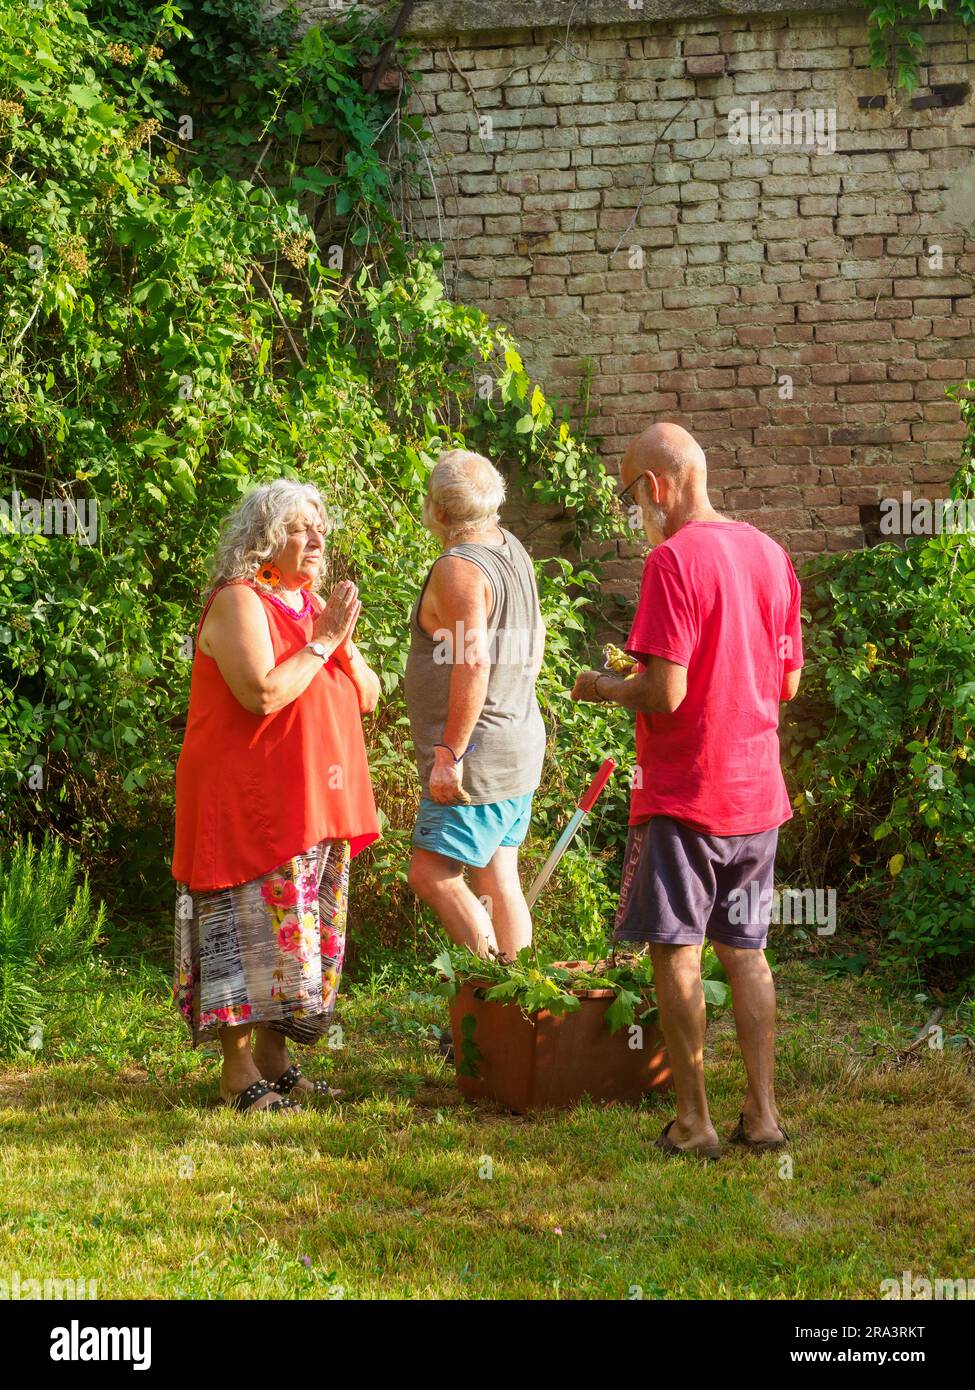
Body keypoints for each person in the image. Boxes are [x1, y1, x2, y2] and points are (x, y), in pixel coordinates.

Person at [572, 423, 802, 1159]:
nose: (634, 510)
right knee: (745, 952)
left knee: (675, 949)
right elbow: (788, 680)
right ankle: (762, 1118)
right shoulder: (769, 553)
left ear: (658, 487)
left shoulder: (671, 560)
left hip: (684, 791)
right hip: (756, 789)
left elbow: (663, 692)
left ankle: (694, 1123)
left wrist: (603, 686)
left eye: (630, 494)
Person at [172, 480, 380, 1114]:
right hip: (246, 803)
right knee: (244, 926)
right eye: (300, 529)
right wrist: (322, 641)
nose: (317, 540)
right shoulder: (240, 602)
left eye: (320, 529)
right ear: (263, 539)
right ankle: (237, 1073)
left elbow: (369, 693)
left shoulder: (307, 605)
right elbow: (261, 693)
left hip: (314, 805)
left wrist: (334, 636)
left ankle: (275, 1056)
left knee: (295, 933)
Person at [405, 449, 546, 960]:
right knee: (497, 873)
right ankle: (523, 1010)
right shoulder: (511, 549)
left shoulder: (458, 568)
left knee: (431, 873)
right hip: (517, 740)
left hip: (478, 756)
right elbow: (536, 636)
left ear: (437, 511)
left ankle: (498, 987)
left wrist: (450, 754)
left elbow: (473, 662)